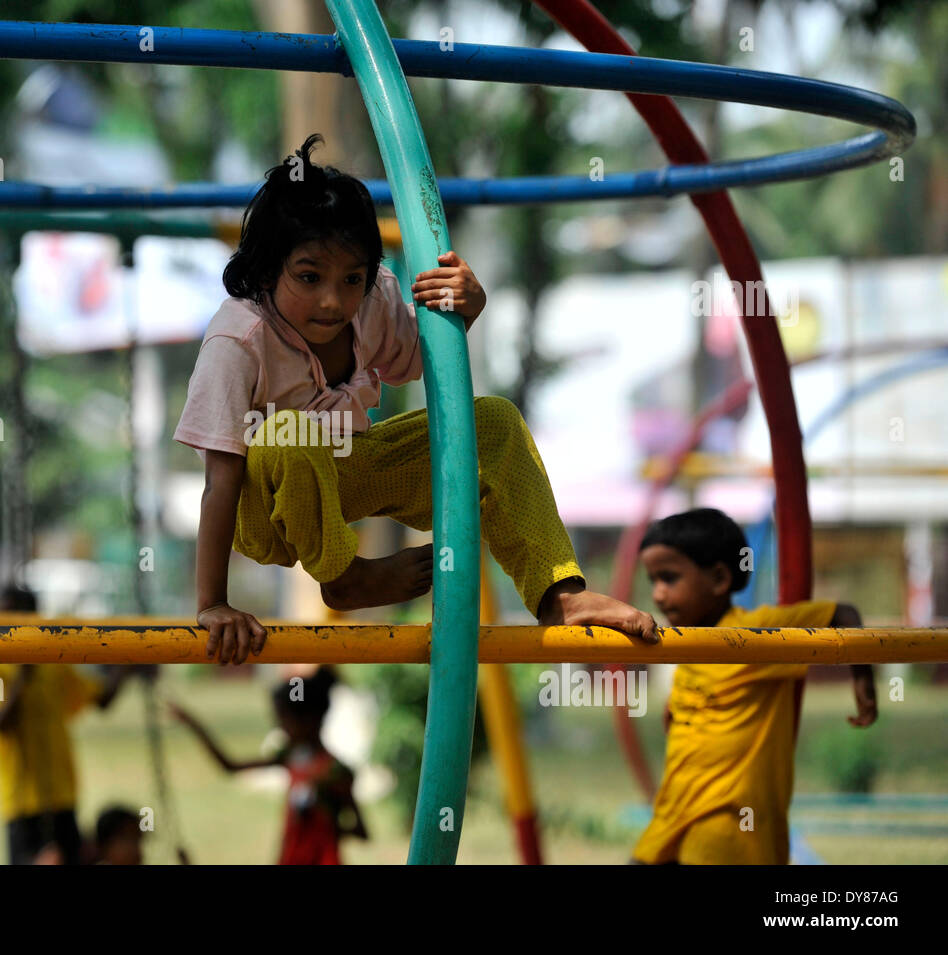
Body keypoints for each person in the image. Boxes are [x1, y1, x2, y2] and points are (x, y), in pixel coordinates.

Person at [173, 133, 657, 664]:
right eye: (309, 277)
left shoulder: (372, 297)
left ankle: (558, 595)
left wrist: (468, 307)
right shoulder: (237, 341)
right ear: (268, 270)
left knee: (494, 421)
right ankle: (346, 577)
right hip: (263, 502)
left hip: (346, 471)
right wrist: (213, 604)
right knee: (291, 437)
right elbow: (220, 483)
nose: (333, 300)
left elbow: (421, 359)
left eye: (350, 278)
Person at [630, 508, 878, 865]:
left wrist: (862, 680)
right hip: (675, 808)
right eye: (652, 580)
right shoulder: (687, 641)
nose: (658, 594)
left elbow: (844, 615)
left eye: (668, 578)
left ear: (718, 578)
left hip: (727, 817)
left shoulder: (755, 633)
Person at [0, 584, 138, 865]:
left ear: (32, 617)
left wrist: (131, 658)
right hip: (22, 800)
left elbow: (101, 699)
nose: (0, 625)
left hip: (62, 794)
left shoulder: (52, 663)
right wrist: (23, 677)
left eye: (10, 616)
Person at [170, 667, 366, 865]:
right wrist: (191, 723)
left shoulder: (335, 772)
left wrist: (327, 817)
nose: (281, 728)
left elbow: (362, 831)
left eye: (285, 721)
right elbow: (229, 766)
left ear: (309, 720)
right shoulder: (290, 757)